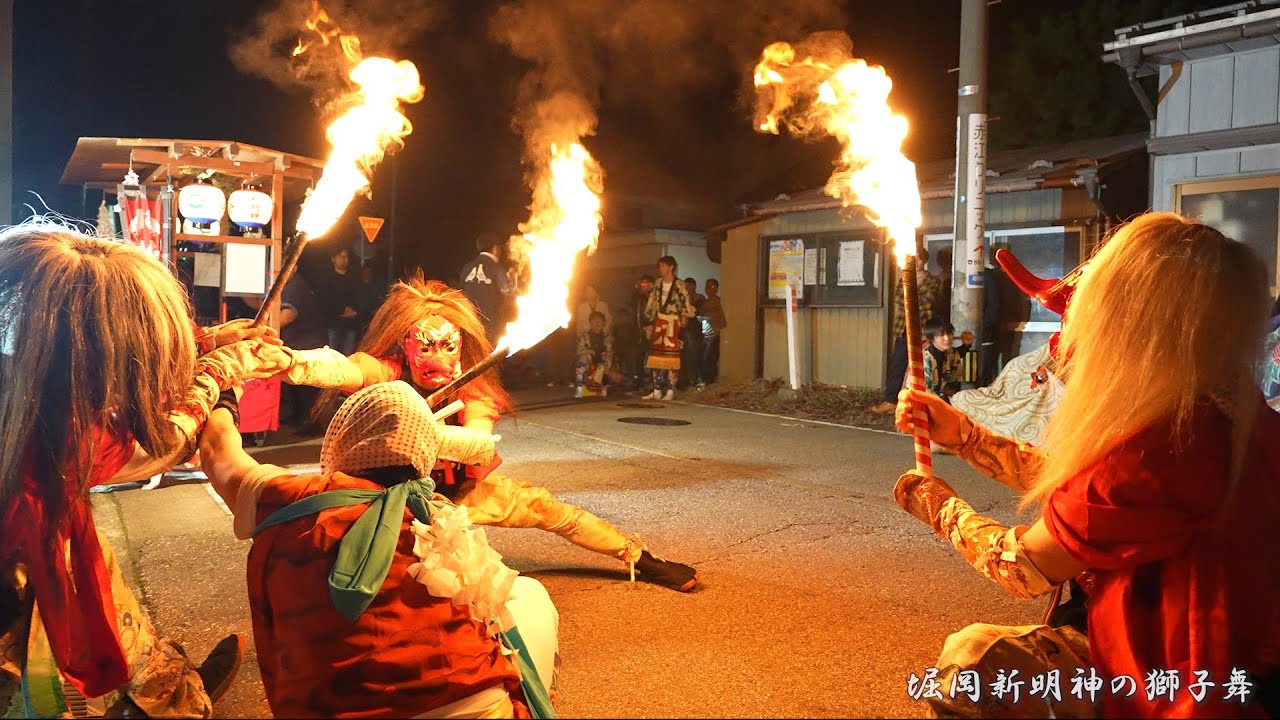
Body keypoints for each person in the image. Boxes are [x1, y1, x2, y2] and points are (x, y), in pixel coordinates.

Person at [892, 213, 1280, 718]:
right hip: (1245, 669)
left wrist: (937, 505)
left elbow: (1024, 566)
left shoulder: (1159, 449)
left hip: (1179, 688)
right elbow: (1085, 490)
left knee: (976, 663)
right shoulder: (1232, 417)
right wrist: (965, 436)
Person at [0, 223, 289, 718]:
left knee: (116, 612)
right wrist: (222, 373)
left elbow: (127, 351)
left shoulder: (27, 359)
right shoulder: (58, 428)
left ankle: (169, 690)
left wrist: (209, 339)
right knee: (42, 669)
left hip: (46, 533)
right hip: (25, 561)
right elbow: (163, 445)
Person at [279, 274, 699, 591]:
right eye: (424, 346)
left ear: (461, 345)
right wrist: (285, 360)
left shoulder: (473, 387)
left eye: (447, 346)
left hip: (451, 495)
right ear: (405, 345)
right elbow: (343, 368)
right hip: (380, 495)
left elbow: (479, 446)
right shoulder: (388, 370)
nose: (436, 357)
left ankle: (639, 558)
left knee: (544, 508)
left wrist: (418, 431)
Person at [199, 380, 556, 719]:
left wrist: (224, 394)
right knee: (525, 596)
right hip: (479, 707)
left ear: (341, 438)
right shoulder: (436, 514)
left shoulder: (289, 496)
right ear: (425, 452)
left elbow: (218, 450)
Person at [872, 249, 940, 414]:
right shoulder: (904, 278)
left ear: (923, 261)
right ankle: (891, 400)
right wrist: (912, 300)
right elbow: (898, 299)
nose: (915, 263)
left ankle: (921, 402)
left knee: (923, 366)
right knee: (898, 364)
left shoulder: (932, 280)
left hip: (923, 330)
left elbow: (927, 302)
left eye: (918, 259)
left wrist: (909, 300)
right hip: (903, 328)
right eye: (912, 260)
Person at [642, 257, 695, 401]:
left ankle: (670, 390)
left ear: (671, 267)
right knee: (655, 357)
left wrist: (684, 315)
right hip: (659, 322)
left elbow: (686, 302)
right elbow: (652, 302)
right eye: (660, 266)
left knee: (672, 358)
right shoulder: (658, 283)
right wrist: (649, 320)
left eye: (663, 266)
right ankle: (657, 389)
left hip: (673, 323)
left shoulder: (679, 284)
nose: (661, 269)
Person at [459, 232, 514, 343]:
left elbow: (459, 292)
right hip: (491, 326)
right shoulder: (496, 268)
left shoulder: (467, 268)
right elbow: (509, 292)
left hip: (469, 324)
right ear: (495, 249)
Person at [317, 246, 362, 355]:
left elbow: (359, 297)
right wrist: (341, 310)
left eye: (346, 257)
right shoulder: (327, 278)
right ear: (333, 259)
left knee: (348, 356)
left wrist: (355, 312)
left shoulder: (353, 278)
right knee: (332, 355)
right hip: (333, 324)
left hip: (351, 324)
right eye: (341, 256)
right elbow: (325, 299)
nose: (344, 259)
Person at [574, 311, 614, 399]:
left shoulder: (607, 337)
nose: (597, 323)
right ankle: (579, 387)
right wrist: (589, 351)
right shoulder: (584, 337)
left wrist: (607, 354)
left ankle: (605, 386)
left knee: (608, 360)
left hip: (602, 366)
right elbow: (579, 350)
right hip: (589, 365)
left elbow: (610, 350)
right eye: (594, 320)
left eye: (599, 320)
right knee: (582, 359)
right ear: (590, 322)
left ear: (603, 323)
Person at [921, 318, 963, 401]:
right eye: (941, 335)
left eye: (949, 333)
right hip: (925, 400)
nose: (947, 338)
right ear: (931, 338)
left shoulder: (953, 354)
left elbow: (955, 382)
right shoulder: (926, 358)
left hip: (945, 398)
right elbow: (926, 390)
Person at [679, 277, 705, 390]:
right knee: (683, 359)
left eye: (688, 286)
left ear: (693, 286)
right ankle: (683, 383)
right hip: (683, 334)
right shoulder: (681, 299)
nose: (687, 289)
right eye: (685, 286)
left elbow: (697, 312)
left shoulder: (699, 298)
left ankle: (694, 381)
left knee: (694, 358)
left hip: (695, 334)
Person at [700, 278, 727, 385]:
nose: (709, 289)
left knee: (709, 358)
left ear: (716, 288)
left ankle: (711, 381)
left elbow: (723, 319)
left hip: (714, 334)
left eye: (712, 287)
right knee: (704, 358)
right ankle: (707, 381)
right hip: (705, 333)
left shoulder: (718, 301)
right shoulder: (705, 302)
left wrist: (717, 329)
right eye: (707, 287)